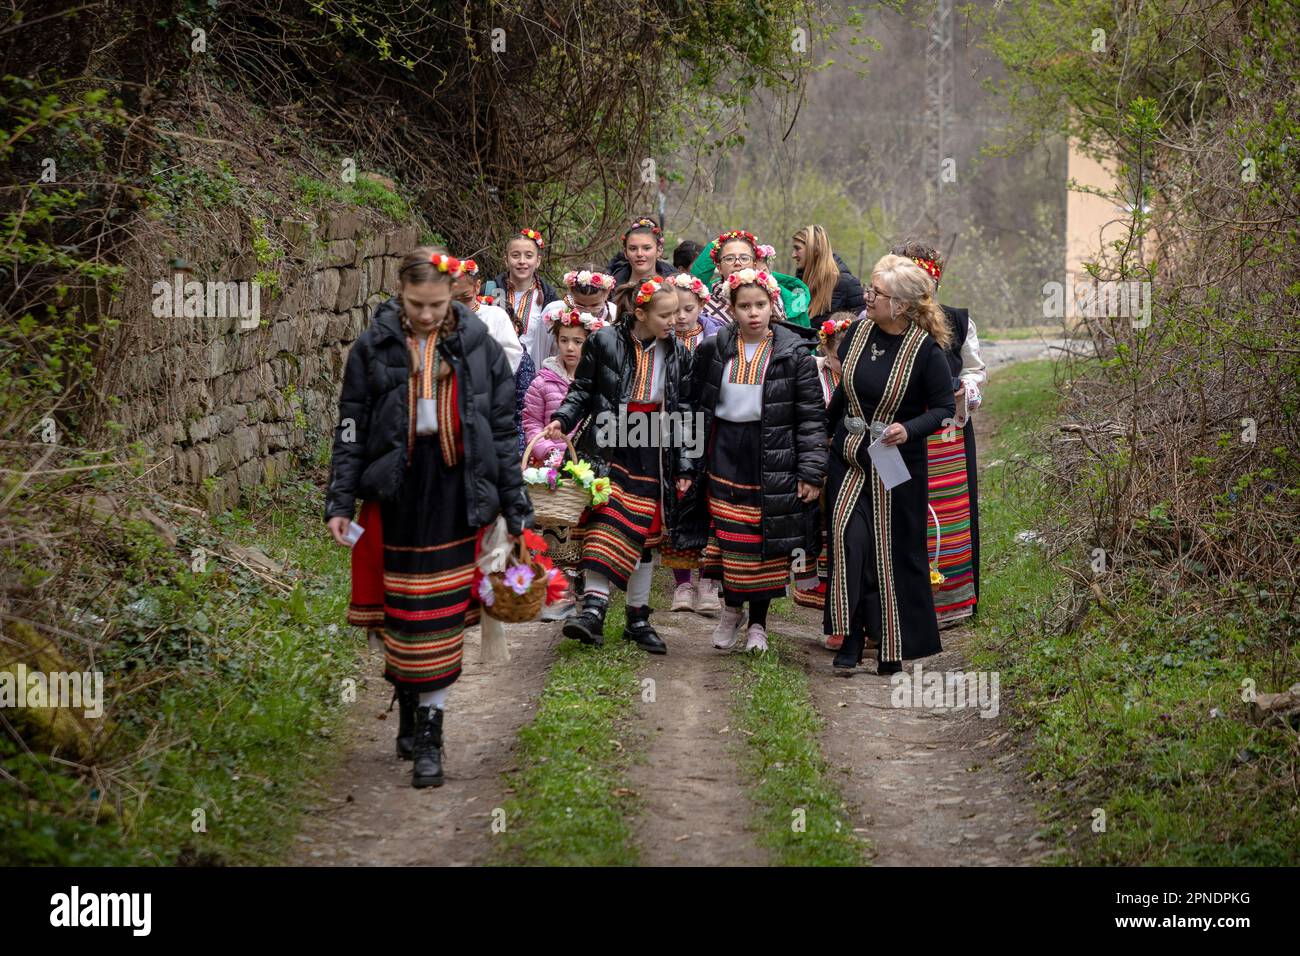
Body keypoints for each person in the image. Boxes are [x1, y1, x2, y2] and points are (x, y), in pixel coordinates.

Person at [326, 248, 532, 787]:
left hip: (456, 491)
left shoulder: (478, 345)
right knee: (400, 617)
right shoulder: (373, 347)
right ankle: (408, 706)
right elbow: (350, 427)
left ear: (454, 295)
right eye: (416, 303)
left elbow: (505, 430)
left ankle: (430, 738)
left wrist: (515, 504)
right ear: (400, 292)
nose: (425, 314)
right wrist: (338, 502)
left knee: (438, 620)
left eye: (436, 304)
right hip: (393, 494)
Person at [539, 275, 692, 654]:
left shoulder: (680, 353)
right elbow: (583, 390)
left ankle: (637, 617)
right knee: (605, 521)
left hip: (654, 449)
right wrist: (562, 418)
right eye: (665, 314)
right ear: (640, 312)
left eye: (676, 314)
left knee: (643, 532)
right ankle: (593, 608)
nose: (673, 321)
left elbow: (686, 411)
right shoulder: (605, 341)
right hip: (609, 444)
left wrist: (685, 465)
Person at [824, 254, 955, 676]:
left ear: (899, 304)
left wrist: (908, 429)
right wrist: (821, 436)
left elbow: (940, 409)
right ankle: (850, 636)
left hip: (897, 468)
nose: (867, 298)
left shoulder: (925, 350)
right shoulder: (859, 333)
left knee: (891, 554)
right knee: (850, 542)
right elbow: (843, 395)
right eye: (869, 291)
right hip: (850, 459)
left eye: (876, 294)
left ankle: (892, 648)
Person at [687, 268, 826, 653]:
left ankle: (758, 625)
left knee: (763, 539)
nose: (752, 313)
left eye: (760, 305)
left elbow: (811, 418)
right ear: (730, 308)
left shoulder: (794, 355)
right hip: (725, 449)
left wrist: (811, 471)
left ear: (772, 306)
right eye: (744, 305)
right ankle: (732, 610)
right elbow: (696, 407)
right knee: (731, 538)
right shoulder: (714, 350)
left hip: (772, 453)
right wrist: (688, 461)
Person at [891, 240, 986, 625]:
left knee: (948, 514)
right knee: (899, 514)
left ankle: (949, 602)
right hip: (898, 434)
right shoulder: (884, 322)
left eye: (925, 280)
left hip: (947, 435)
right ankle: (896, 602)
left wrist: (968, 389)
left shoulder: (957, 322)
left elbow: (974, 369)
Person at [522, 306, 609, 621]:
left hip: (587, 468)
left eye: (579, 341)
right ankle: (558, 591)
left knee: (586, 527)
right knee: (556, 529)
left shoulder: (599, 381)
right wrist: (546, 450)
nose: (571, 348)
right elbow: (532, 422)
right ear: (556, 342)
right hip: (553, 469)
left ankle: (586, 581)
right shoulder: (543, 382)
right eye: (564, 341)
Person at [662, 271, 725, 615]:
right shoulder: (664, 341)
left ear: (702, 304)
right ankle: (682, 582)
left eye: (688, 308)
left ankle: (708, 580)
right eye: (675, 310)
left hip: (710, 429)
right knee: (678, 500)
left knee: (710, 504)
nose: (682, 316)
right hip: (672, 430)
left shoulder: (717, 342)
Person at [792, 311, 855, 648]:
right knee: (821, 538)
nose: (841, 364)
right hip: (822, 469)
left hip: (853, 467)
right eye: (836, 356)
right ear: (827, 349)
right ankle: (832, 617)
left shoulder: (863, 376)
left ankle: (848, 620)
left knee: (850, 543)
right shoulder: (814, 374)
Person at [492, 227, 559, 366]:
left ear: (538, 261)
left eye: (529, 256)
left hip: (535, 378)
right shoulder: (491, 292)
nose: (522, 261)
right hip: (495, 374)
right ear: (506, 260)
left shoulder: (549, 299)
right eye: (515, 255)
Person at [533, 266, 616, 369]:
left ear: (607, 293)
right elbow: (538, 354)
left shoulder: (615, 315)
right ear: (570, 292)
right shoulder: (553, 312)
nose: (587, 311)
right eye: (580, 305)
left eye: (594, 306)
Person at [792, 225, 865, 324]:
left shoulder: (847, 284)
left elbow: (860, 328)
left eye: (798, 249)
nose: (793, 255)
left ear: (815, 250)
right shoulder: (799, 284)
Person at [608, 217, 676, 284]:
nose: (639, 254)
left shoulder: (676, 286)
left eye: (646, 248)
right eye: (633, 249)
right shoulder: (610, 289)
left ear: (659, 251)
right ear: (625, 253)